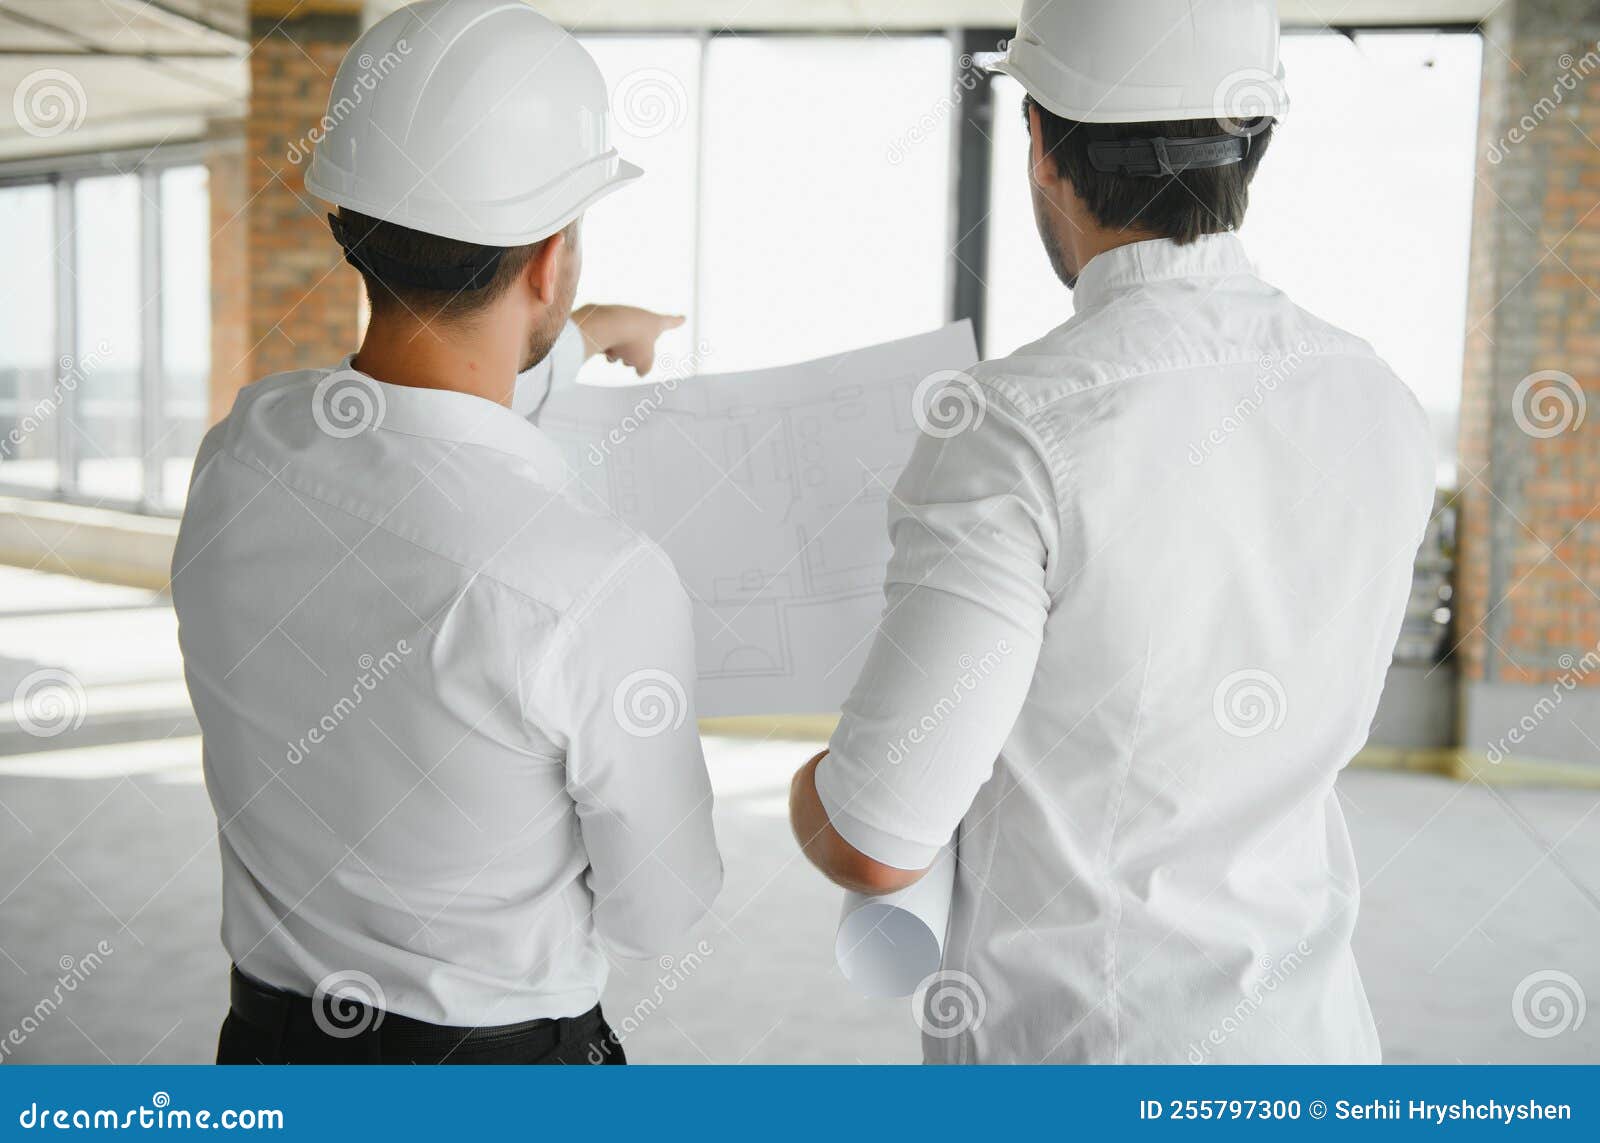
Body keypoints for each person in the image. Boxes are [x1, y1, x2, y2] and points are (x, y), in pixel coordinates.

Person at [790, 0, 1435, 1063]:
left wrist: (824, 787)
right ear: (1258, 141)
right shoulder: (1376, 399)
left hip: (1093, 1055)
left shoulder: (1010, 427)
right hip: (1310, 1048)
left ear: (1041, 142)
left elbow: (875, 845)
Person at [172, 0, 721, 1064]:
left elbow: (412, 433)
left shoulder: (242, 450)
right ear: (551, 262)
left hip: (268, 1051)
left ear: (349, 227)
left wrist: (569, 340)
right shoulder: (592, 582)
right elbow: (662, 913)